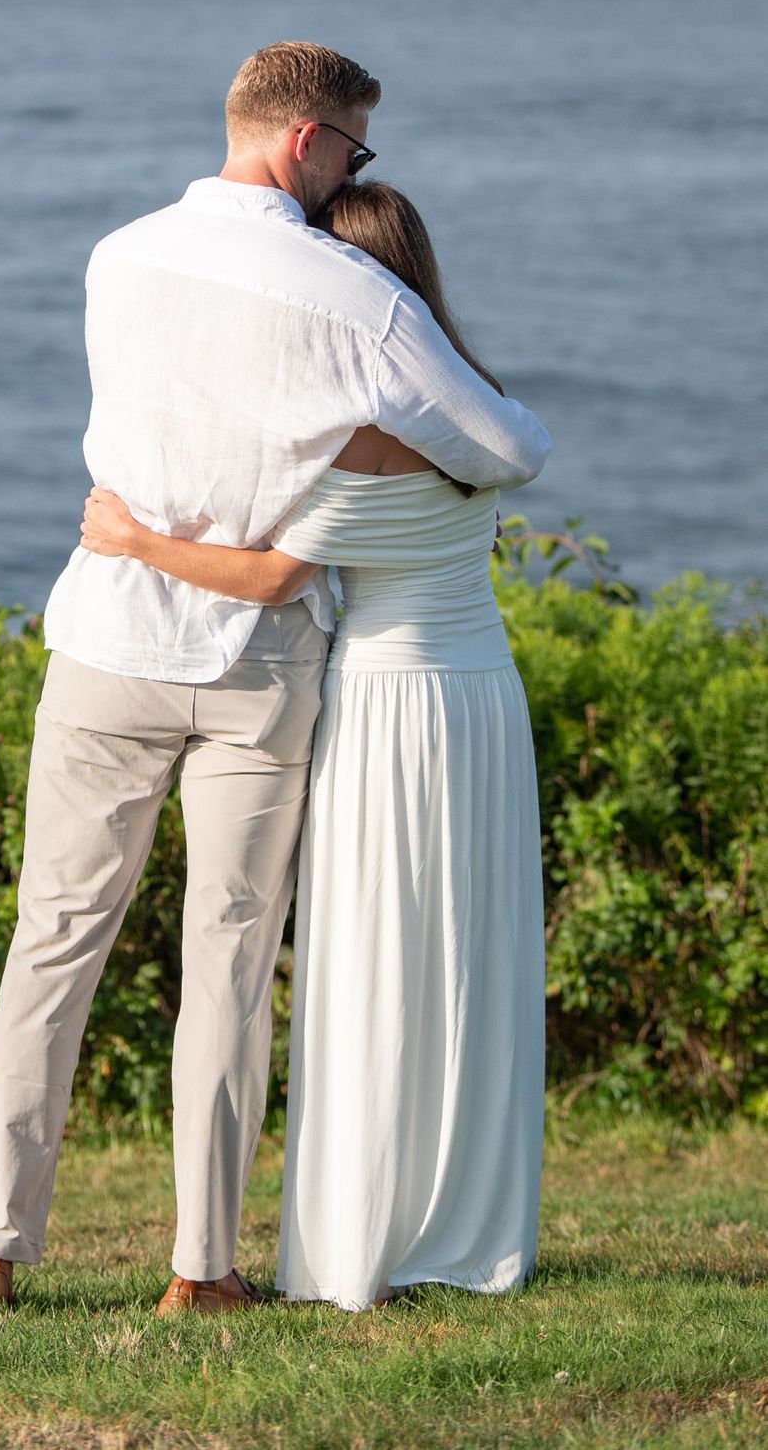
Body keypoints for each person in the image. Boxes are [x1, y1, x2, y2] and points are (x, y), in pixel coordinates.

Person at [0, 42, 549, 1316]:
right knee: (226, 958)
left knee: (52, 940)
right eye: (356, 152)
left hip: (108, 634)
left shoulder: (118, 256)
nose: (353, 178)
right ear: (311, 141)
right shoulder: (349, 296)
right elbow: (505, 445)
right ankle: (198, 1269)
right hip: (258, 660)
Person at [79, 180, 546, 1311]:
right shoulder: (473, 414)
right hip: (481, 694)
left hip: (385, 706)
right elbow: (519, 456)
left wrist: (132, 535)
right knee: (472, 956)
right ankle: (470, 1219)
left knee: (370, 951)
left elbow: (271, 574)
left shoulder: (342, 447)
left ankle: (365, 1229)